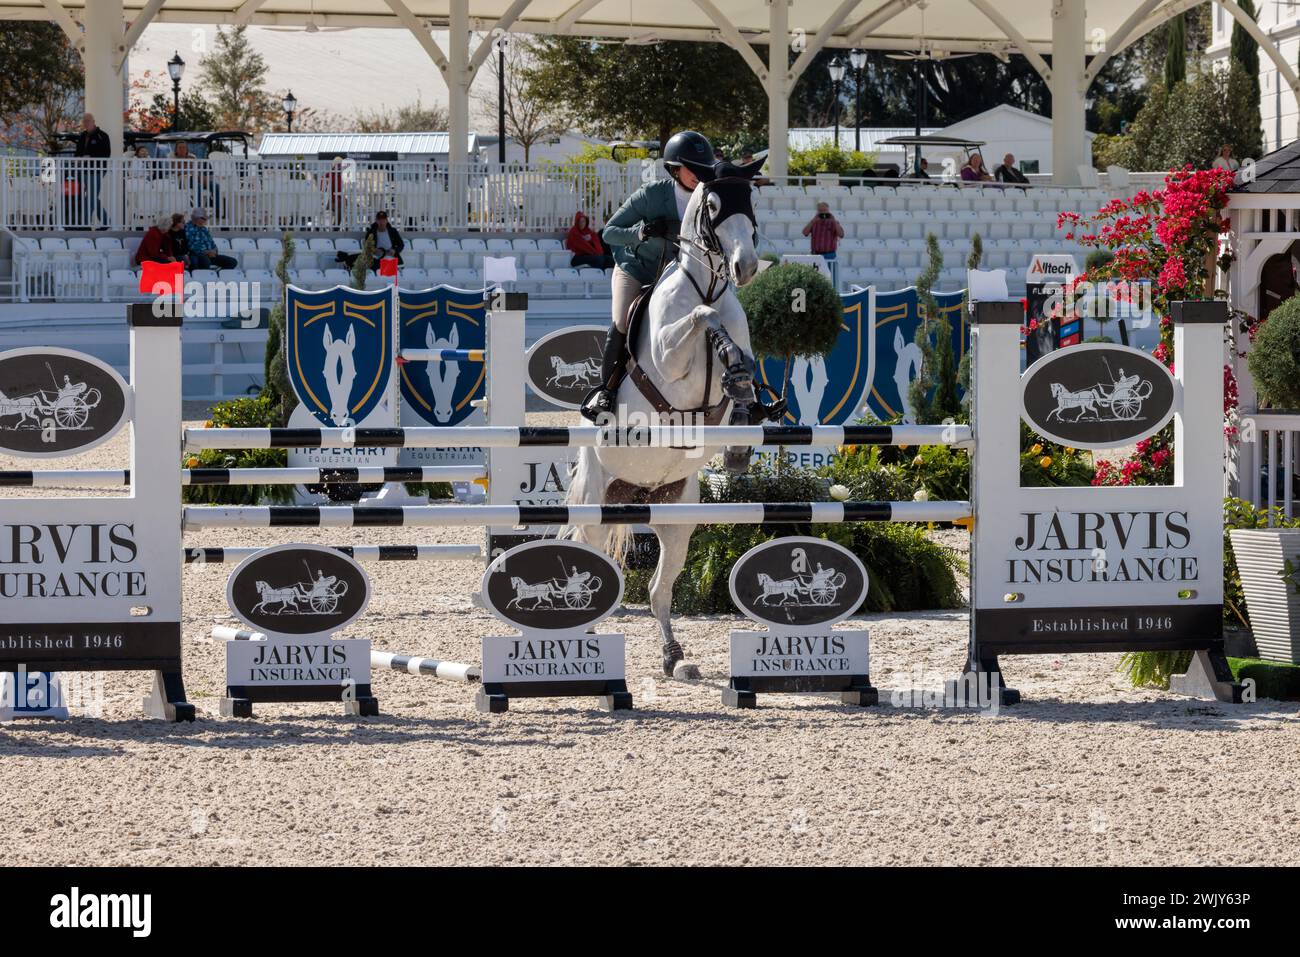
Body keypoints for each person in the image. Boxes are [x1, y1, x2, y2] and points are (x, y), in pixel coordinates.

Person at [579, 129, 717, 422]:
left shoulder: (707, 199)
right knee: (621, 320)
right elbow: (610, 233)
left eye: (703, 169)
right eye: (693, 169)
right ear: (675, 169)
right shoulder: (652, 194)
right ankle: (607, 389)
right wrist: (640, 232)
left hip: (677, 277)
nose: (698, 175)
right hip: (636, 270)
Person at [73, 112, 112, 228]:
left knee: (90, 197)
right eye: (84, 121)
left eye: (88, 121)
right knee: (92, 197)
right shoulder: (82, 136)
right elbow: (78, 152)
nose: (86, 123)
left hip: (97, 170)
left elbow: (106, 154)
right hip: (82, 170)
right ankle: (106, 222)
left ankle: (85, 224)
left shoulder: (102, 135)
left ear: (93, 122)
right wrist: (78, 159)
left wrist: (90, 157)